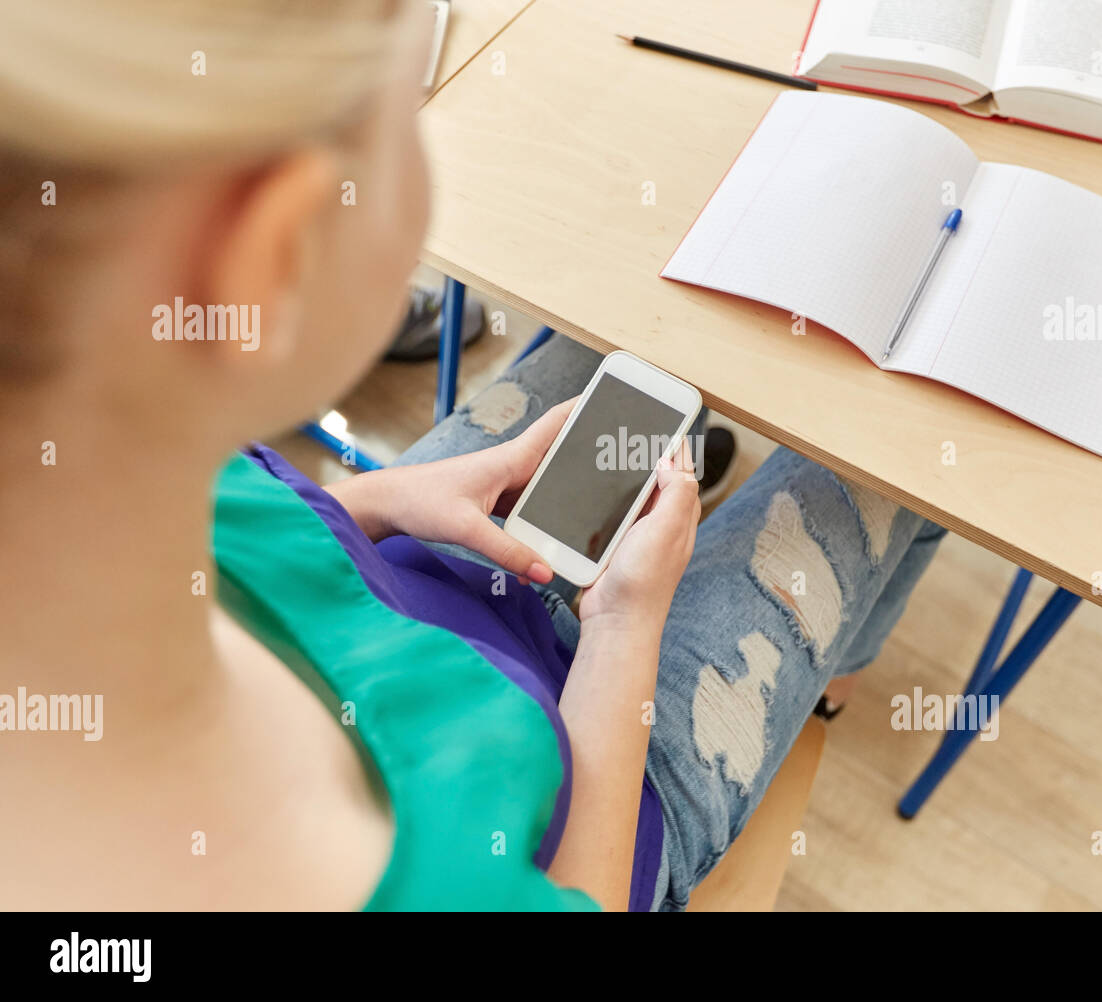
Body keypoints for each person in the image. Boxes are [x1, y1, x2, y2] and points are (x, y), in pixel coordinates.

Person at [0, 0, 944, 911]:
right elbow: (582, 895)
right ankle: (831, 686)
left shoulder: (89, 451)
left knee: (655, 323)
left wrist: (394, 497)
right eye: (413, 98)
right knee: (891, 451)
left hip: (423, 565)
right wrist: (624, 632)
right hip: (612, 788)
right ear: (270, 256)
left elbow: (251, 517)